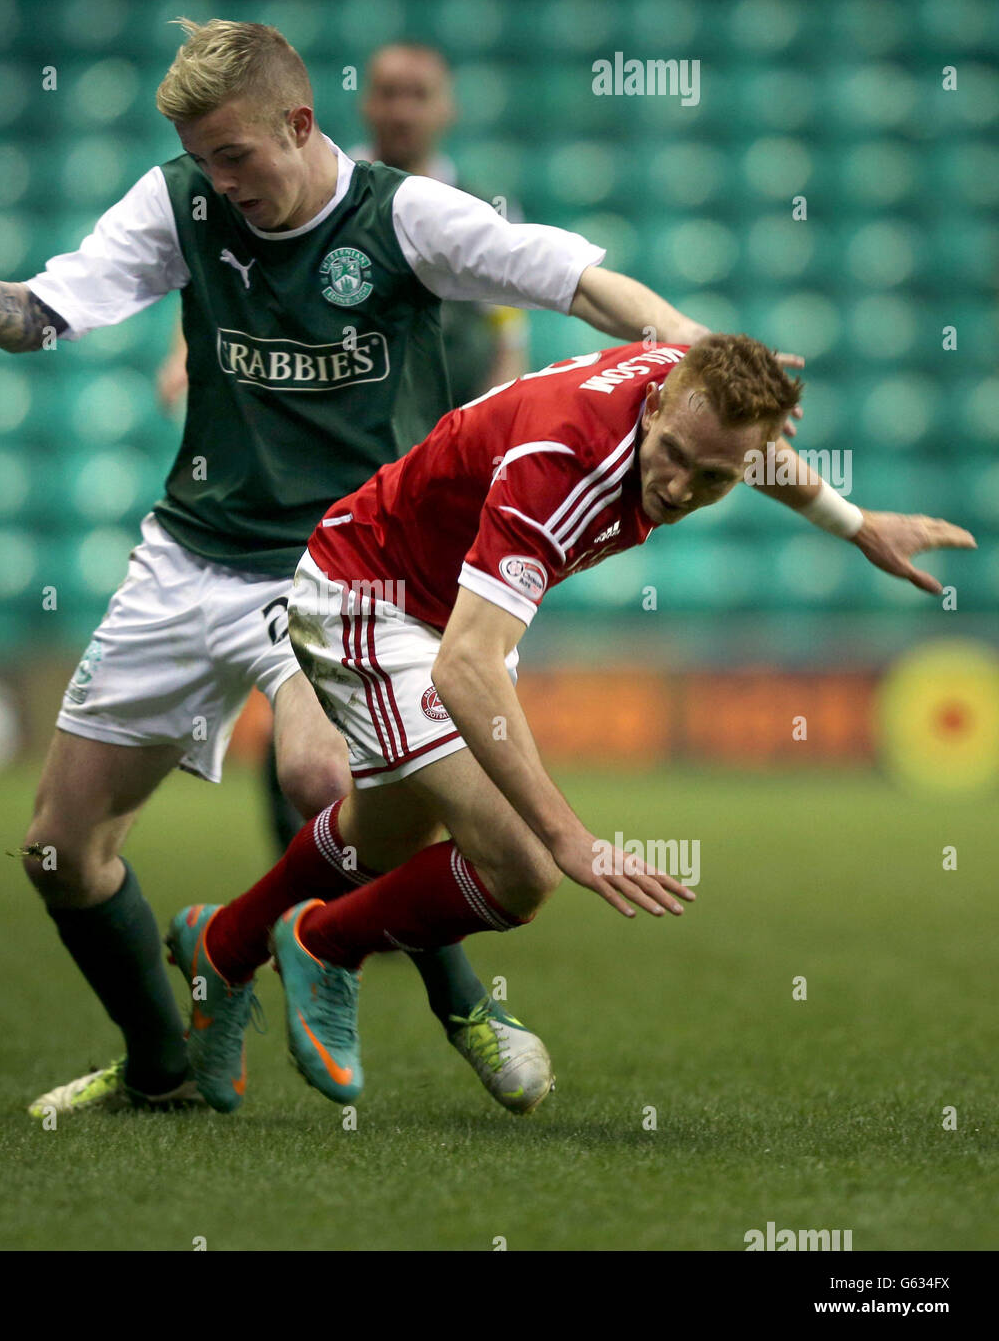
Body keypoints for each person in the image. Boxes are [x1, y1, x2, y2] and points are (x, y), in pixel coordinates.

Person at [0, 17, 794, 1119]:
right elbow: (39, 317)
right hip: (190, 554)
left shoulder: (402, 217)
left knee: (331, 779)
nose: (217, 181)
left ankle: (442, 994)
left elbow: (584, 281)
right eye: (201, 160)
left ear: (300, 123)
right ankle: (164, 1067)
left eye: (234, 157)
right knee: (56, 854)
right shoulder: (181, 201)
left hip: (341, 563)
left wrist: (697, 355)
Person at [166, 334, 975, 1108]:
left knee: (380, 834)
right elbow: (464, 671)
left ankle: (225, 943)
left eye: (713, 479)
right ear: (654, 406)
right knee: (523, 868)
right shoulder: (565, 464)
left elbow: (752, 451)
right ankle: (323, 946)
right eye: (674, 458)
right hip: (372, 598)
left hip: (457, 601)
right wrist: (570, 837)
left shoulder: (693, 401)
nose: (680, 489)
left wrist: (857, 524)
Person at [158, 38, 530, 856]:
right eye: (387, 92)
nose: (399, 107)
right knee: (311, 677)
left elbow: (510, 341)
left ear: (445, 107)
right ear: (363, 104)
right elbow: (247, 298)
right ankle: (311, 865)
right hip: (336, 483)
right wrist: (190, 357)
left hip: (441, 478)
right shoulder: (310, 191)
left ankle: (397, 865)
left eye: (417, 92)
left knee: (431, 673)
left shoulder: (473, 208)